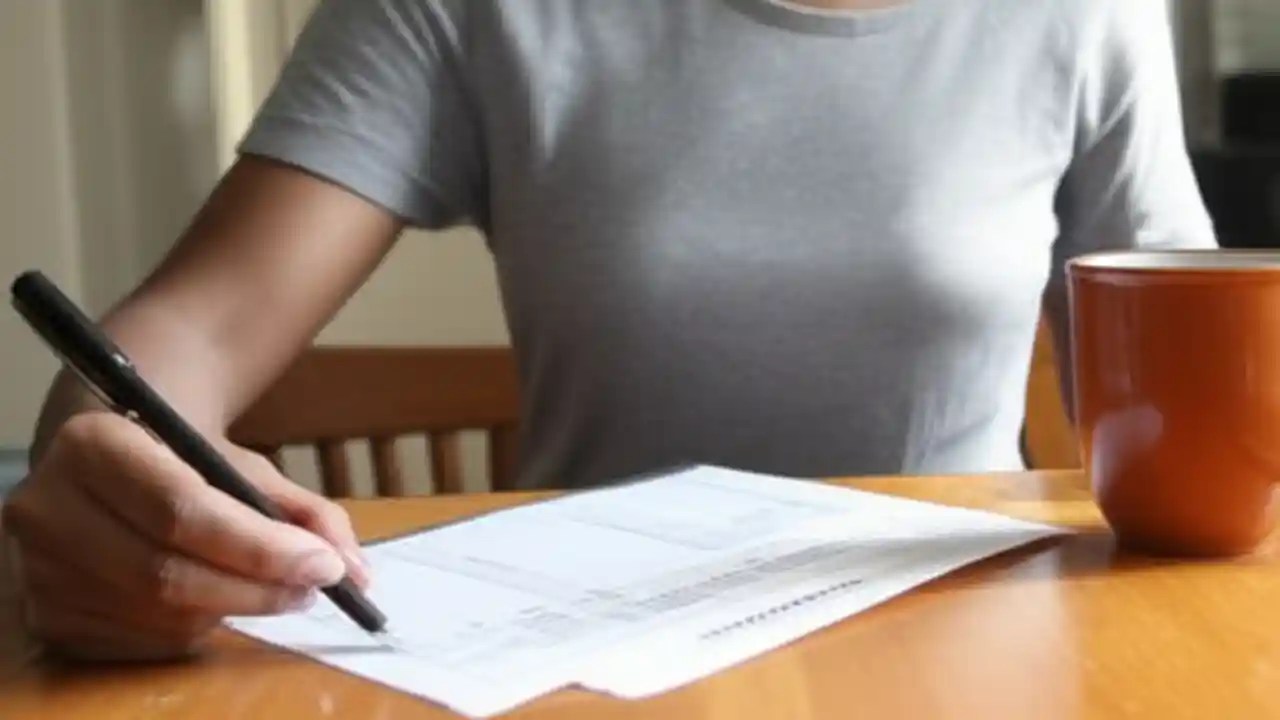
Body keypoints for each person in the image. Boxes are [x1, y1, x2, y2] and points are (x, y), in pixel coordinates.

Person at [3, 0, 1215, 660]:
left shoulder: (1084, 15)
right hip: (572, 670)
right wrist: (106, 476)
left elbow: (1204, 368)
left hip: (984, 649)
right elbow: (196, 328)